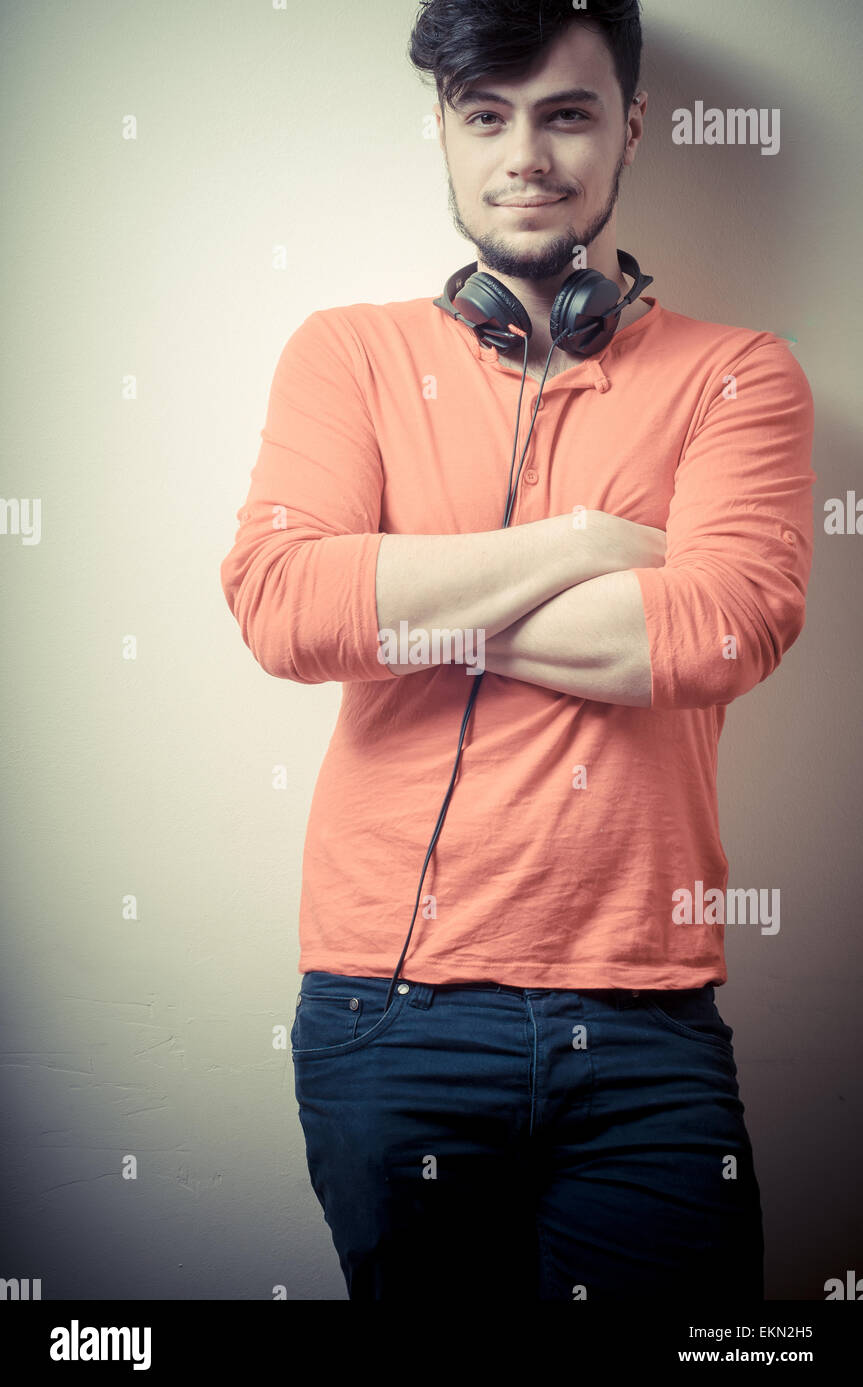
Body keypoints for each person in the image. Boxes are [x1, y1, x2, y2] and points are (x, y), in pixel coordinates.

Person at [220, 0, 815, 1301]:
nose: (524, 154)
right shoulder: (349, 356)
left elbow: (723, 624)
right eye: (486, 115)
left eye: (565, 114)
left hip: (649, 1021)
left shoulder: (742, 376)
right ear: (442, 127)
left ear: (631, 129)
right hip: (390, 1008)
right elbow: (282, 606)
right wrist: (596, 541)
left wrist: (395, 597)